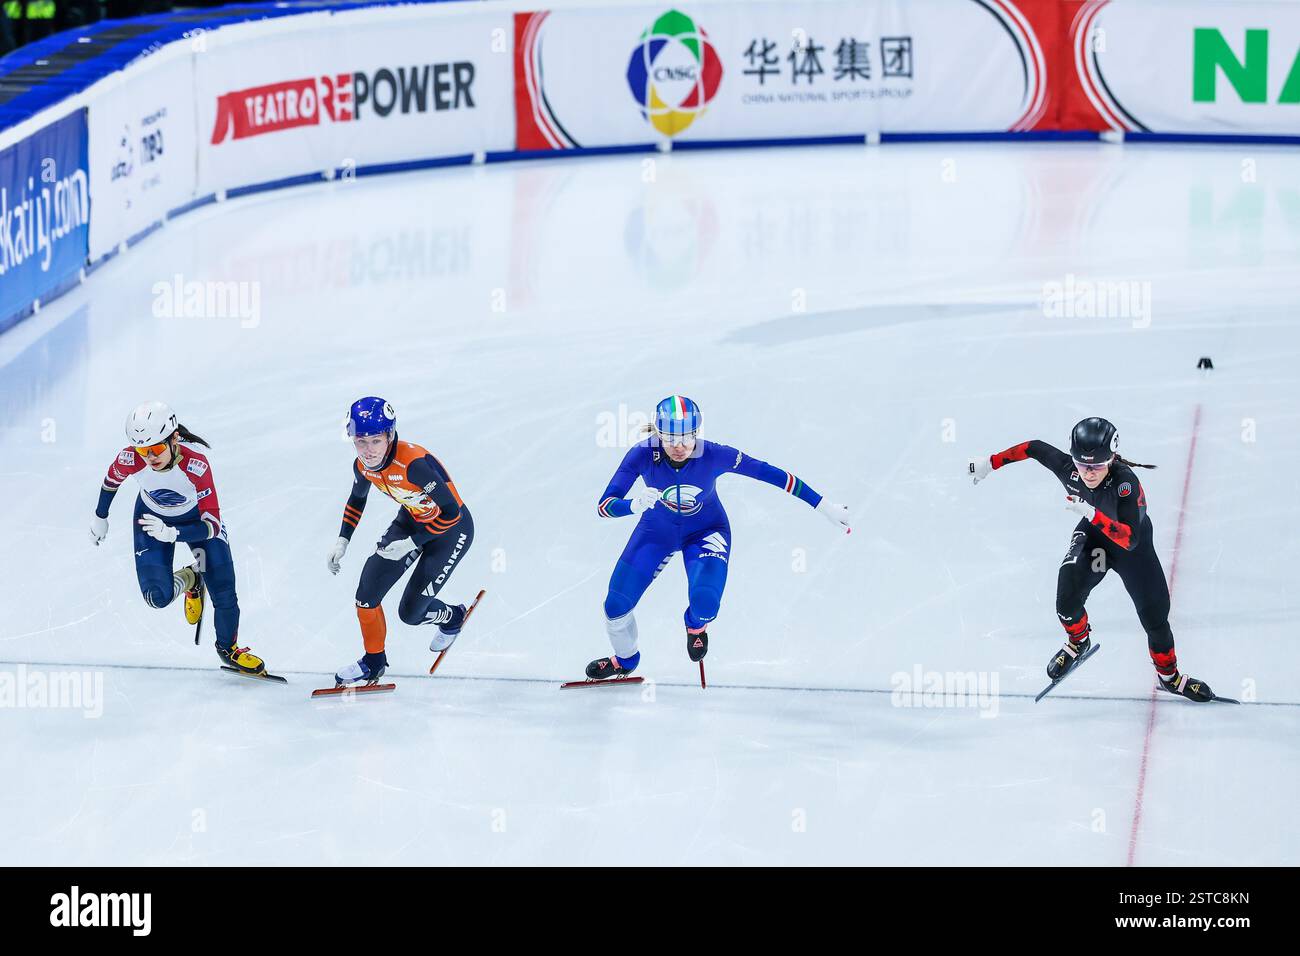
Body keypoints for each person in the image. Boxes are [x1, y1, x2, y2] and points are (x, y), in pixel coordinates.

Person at [587, 395, 850, 679]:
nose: (679, 446)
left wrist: (824, 506)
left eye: (687, 438)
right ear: (658, 434)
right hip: (655, 533)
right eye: (671, 438)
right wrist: (633, 505)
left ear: (697, 433)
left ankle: (695, 626)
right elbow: (604, 505)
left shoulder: (714, 454)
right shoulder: (641, 454)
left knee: (705, 604)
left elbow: (772, 475)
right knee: (615, 606)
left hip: (706, 531)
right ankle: (625, 660)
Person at [969, 417, 1215, 701]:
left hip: (1131, 551)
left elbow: (1130, 540)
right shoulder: (1068, 470)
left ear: (1111, 458)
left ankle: (1170, 678)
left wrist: (1090, 513)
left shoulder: (1126, 484)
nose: (1088, 473)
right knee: (1066, 601)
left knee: (1156, 620)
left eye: (1096, 466)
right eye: (1082, 464)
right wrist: (991, 462)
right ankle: (1078, 642)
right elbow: (1034, 448)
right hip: (1095, 543)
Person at [89, 401, 263, 674]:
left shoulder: (196, 465)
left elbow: (213, 525)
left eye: (156, 448)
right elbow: (110, 482)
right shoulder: (131, 458)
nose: (149, 457)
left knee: (225, 591)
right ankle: (193, 578)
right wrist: (100, 516)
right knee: (156, 597)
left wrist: (175, 534)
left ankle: (228, 648)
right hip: (151, 520)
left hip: (196, 523)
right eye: (142, 450)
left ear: (174, 438)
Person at [327, 397, 474, 685]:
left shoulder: (413, 464)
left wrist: (411, 544)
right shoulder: (363, 466)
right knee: (366, 595)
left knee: (411, 613)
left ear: (390, 436)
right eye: (360, 441)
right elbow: (357, 498)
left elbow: (452, 513)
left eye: (376, 441)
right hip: (411, 521)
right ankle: (373, 661)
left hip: (450, 531)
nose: (368, 451)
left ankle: (453, 616)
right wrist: (343, 540)